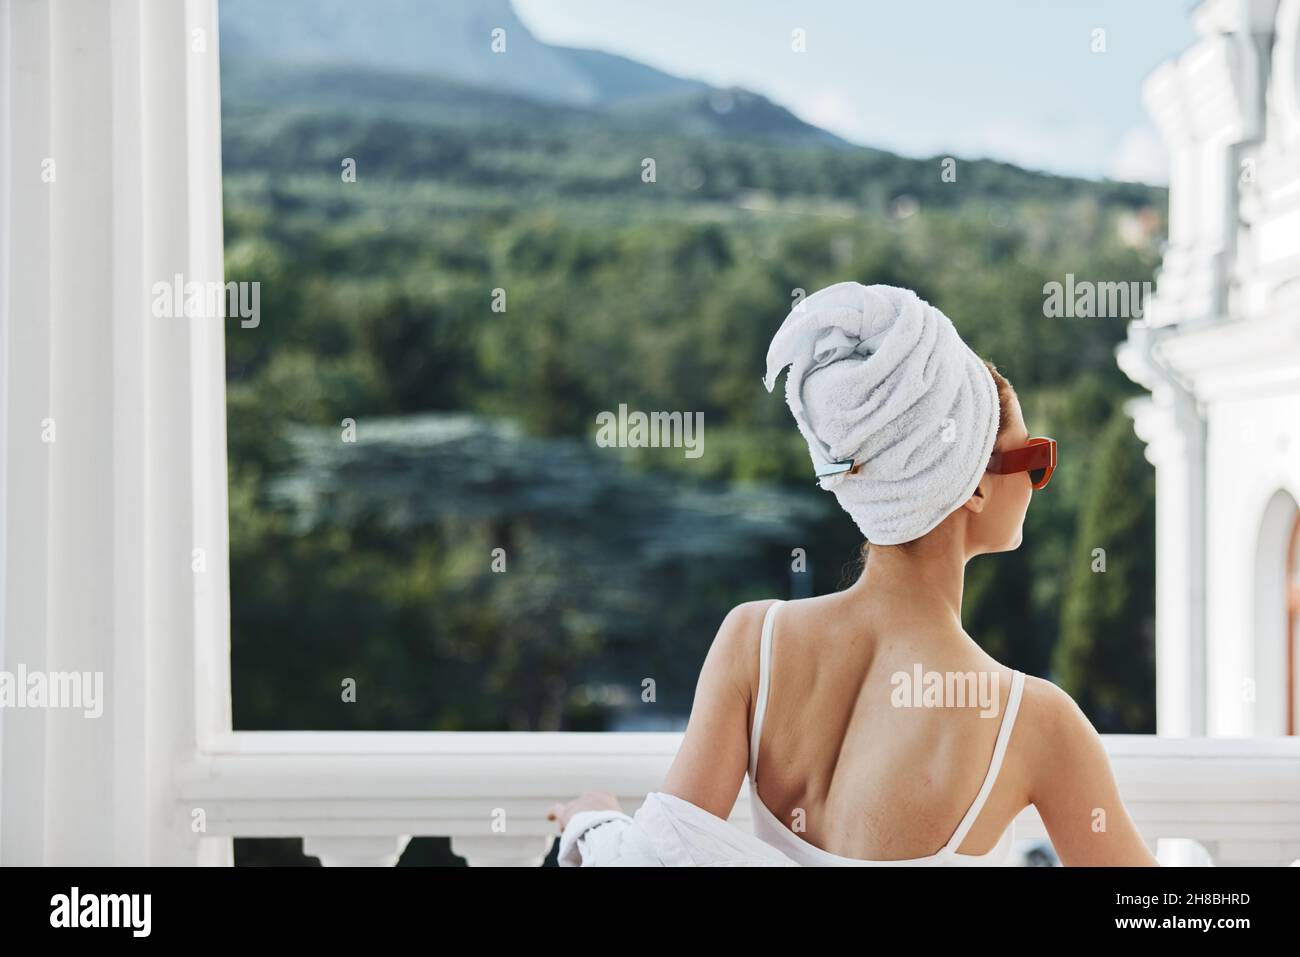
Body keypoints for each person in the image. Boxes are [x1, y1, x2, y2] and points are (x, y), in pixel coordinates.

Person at [549, 283, 1158, 867]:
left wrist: (594, 823)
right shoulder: (1034, 719)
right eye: (1035, 458)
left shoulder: (753, 641)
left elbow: (654, 861)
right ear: (973, 483)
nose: (1036, 480)